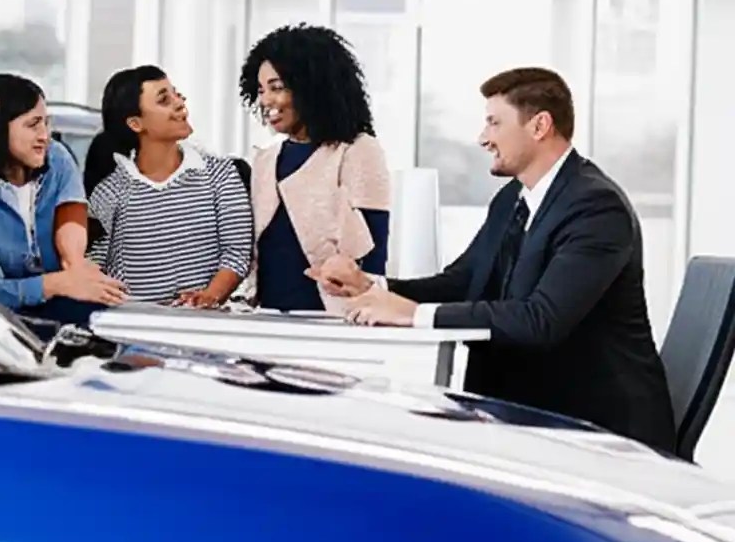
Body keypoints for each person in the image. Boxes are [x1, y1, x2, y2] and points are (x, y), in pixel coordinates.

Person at [314, 66, 675, 452]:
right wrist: (374, 287)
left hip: (596, 426)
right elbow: (464, 279)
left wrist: (413, 313)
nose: (482, 138)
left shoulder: (596, 207)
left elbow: (541, 321)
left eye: (493, 123)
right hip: (531, 405)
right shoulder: (512, 199)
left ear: (539, 126)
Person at [0, 73, 126, 321]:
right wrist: (55, 284)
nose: (45, 135)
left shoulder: (57, 158)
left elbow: (71, 211)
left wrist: (75, 267)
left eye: (46, 123)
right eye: (33, 125)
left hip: (54, 306)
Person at [239, 24, 391, 313]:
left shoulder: (357, 150)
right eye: (261, 90)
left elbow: (373, 255)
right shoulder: (265, 160)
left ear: (312, 87)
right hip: (267, 319)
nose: (265, 100)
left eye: (277, 87)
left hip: (334, 323)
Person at [85, 65, 253, 307]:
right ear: (135, 123)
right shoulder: (111, 191)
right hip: (134, 330)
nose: (179, 103)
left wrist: (209, 297)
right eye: (164, 100)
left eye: (176, 94)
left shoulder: (220, 173)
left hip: (204, 325)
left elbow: (237, 251)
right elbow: (96, 261)